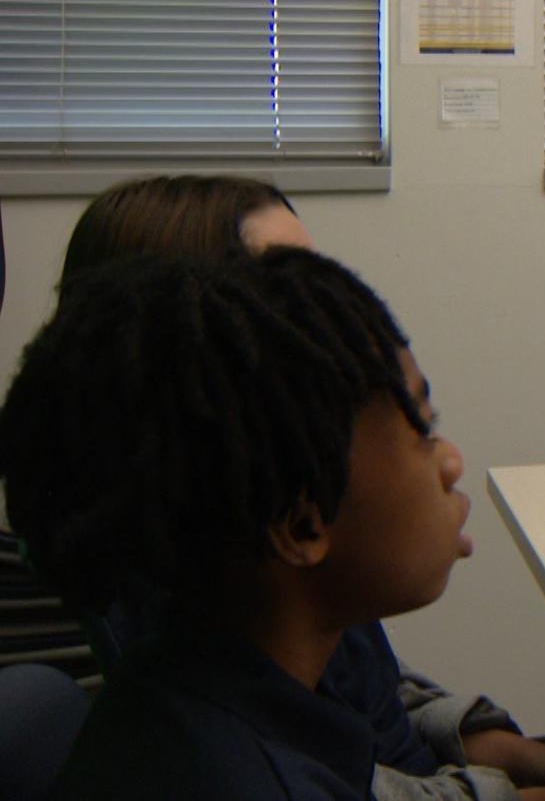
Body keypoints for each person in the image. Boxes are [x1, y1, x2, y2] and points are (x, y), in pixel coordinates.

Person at [43, 176, 545, 799]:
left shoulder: (239, 639)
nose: (451, 460)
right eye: (286, 292)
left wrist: (491, 748)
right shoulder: (221, 712)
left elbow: (371, 708)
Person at [0, 249, 476, 796]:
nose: (451, 462)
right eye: (422, 429)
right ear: (302, 526)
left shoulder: (180, 683)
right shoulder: (251, 778)